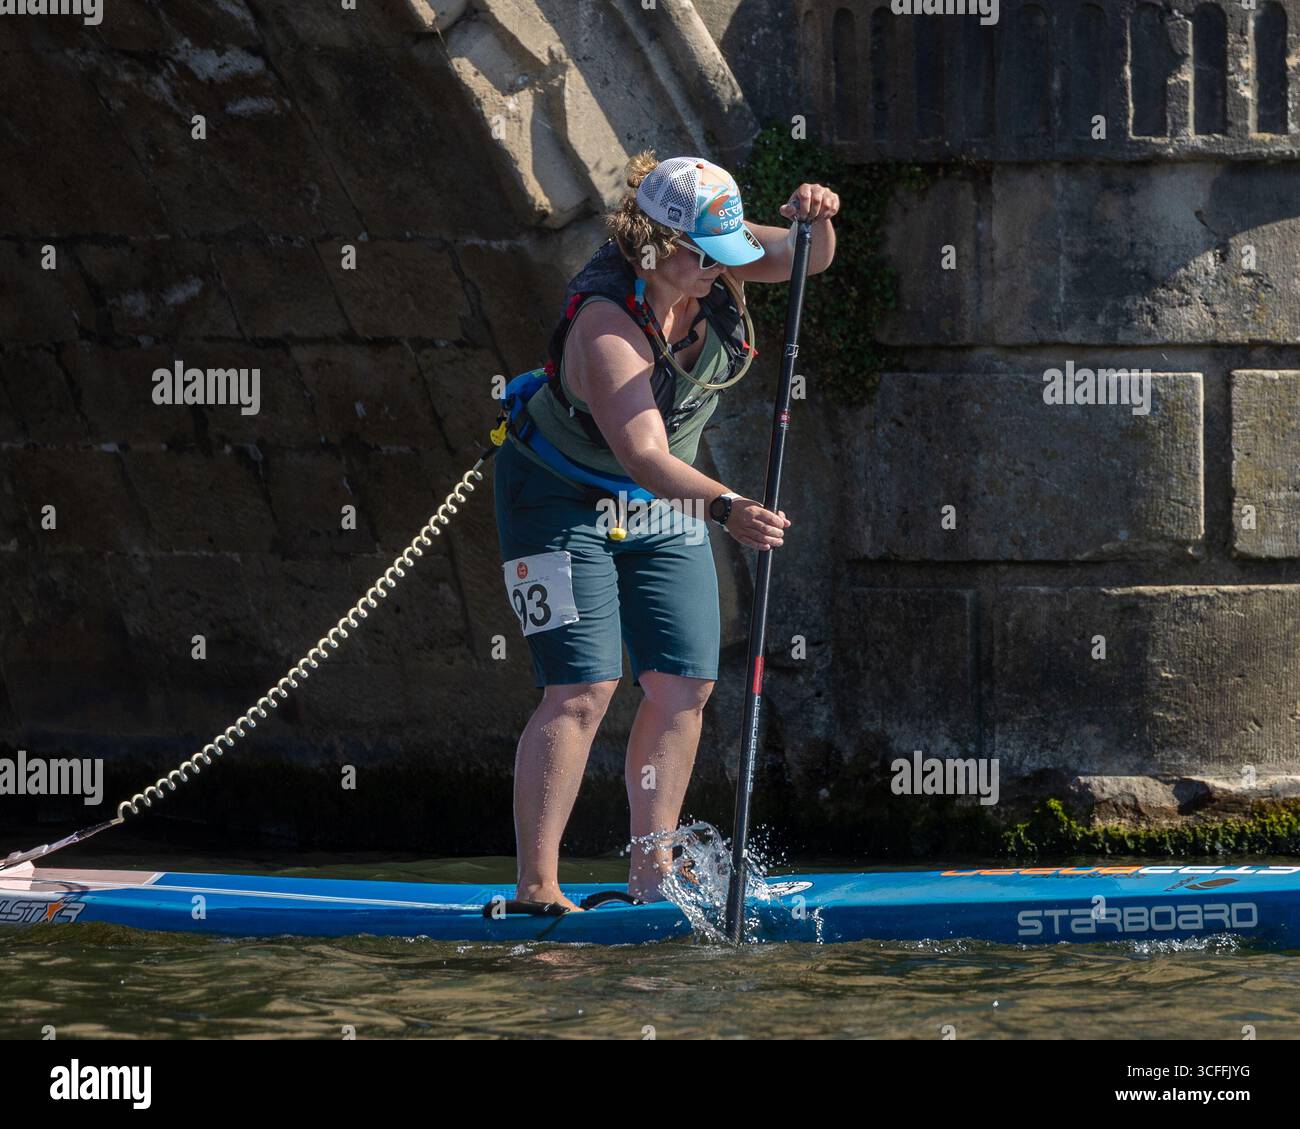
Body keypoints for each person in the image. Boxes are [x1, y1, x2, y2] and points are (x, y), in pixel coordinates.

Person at [494, 152, 839, 910]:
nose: (722, 269)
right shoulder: (607, 322)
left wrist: (816, 217)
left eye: (726, 256)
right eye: (705, 259)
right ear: (655, 246)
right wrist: (725, 507)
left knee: (685, 683)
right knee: (582, 687)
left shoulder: (705, 249)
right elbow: (645, 455)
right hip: (555, 500)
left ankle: (652, 876)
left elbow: (799, 259)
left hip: (663, 505)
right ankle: (536, 888)